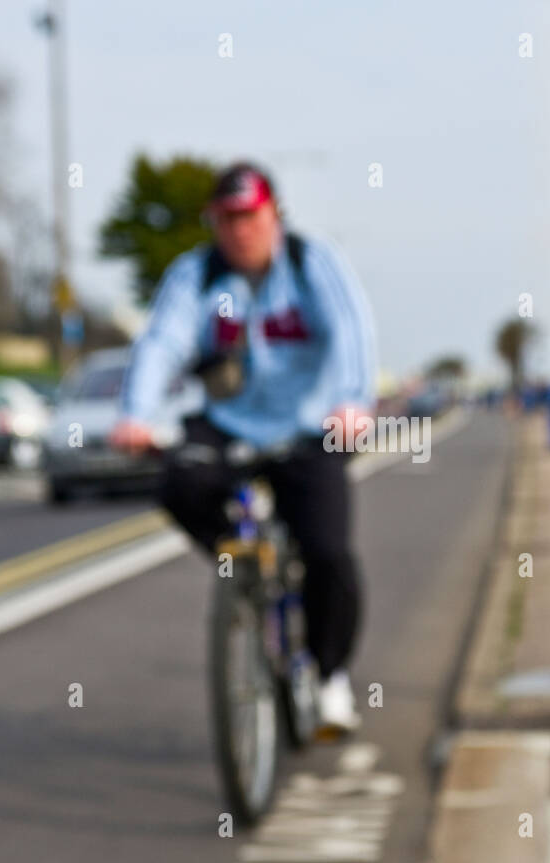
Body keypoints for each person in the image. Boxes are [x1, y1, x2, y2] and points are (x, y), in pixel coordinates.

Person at [110, 161, 377, 735]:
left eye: (250, 217)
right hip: (229, 424)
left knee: (329, 553)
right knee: (178, 483)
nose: (240, 231)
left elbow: (351, 327)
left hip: (308, 428)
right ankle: (245, 572)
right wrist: (136, 413)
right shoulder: (196, 277)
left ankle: (329, 676)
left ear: (273, 215)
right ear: (214, 222)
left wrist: (353, 400)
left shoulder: (312, 264)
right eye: (227, 219)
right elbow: (162, 343)